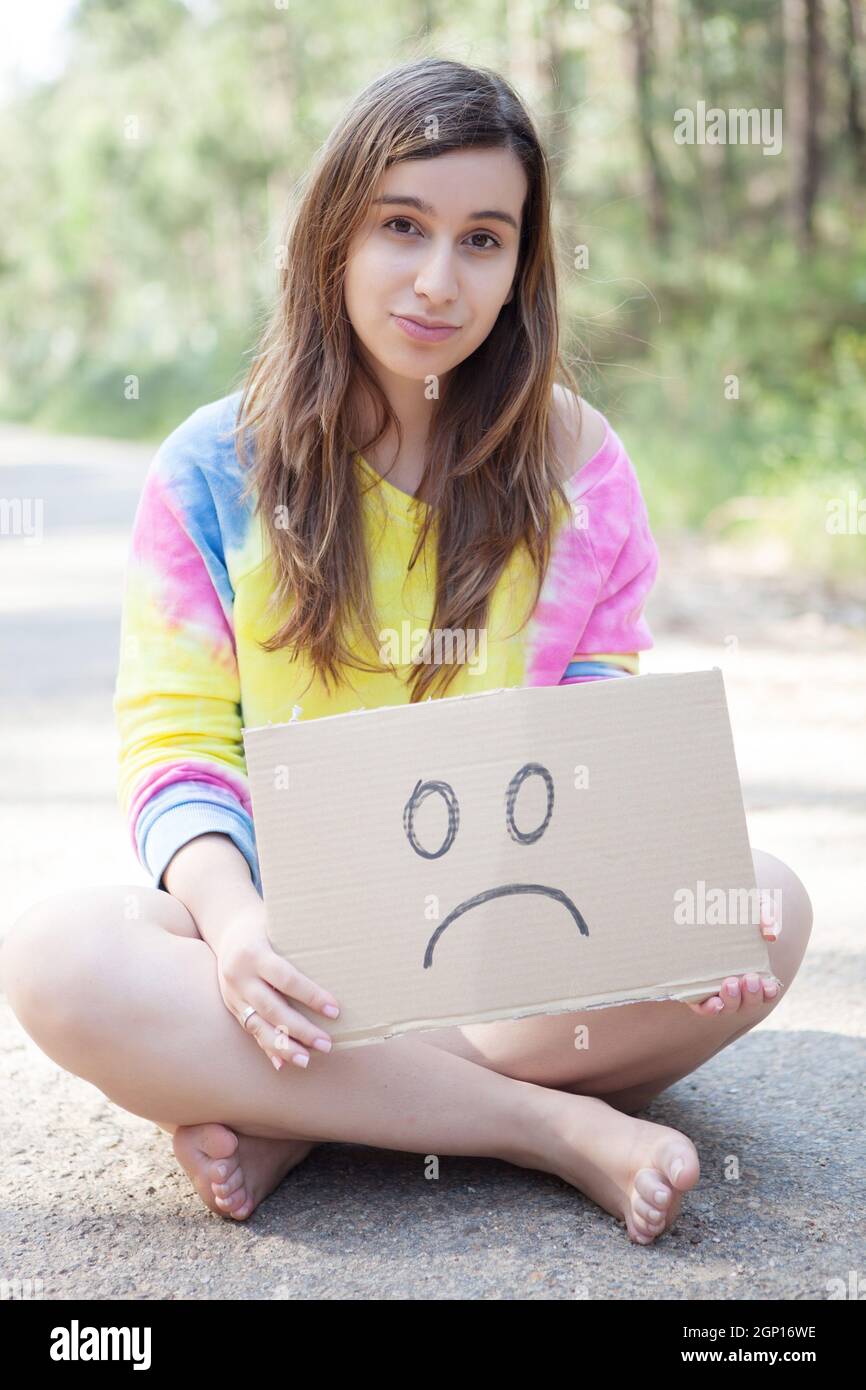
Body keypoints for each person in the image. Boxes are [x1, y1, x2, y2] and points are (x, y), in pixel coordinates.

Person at [1, 57, 812, 1247]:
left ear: (520, 267)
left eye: (482, 240)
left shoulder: (578, 469)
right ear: (335, 233)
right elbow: (176, 747)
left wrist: (662, 920)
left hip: (507, 939)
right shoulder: (209, 468)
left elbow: (597, 745)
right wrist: (231, 932)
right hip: (289, 942)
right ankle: (552, 1128)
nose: (438, 279)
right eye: (400, 227)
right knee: (61, 961)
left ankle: (306, 1107)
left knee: (764, 908)